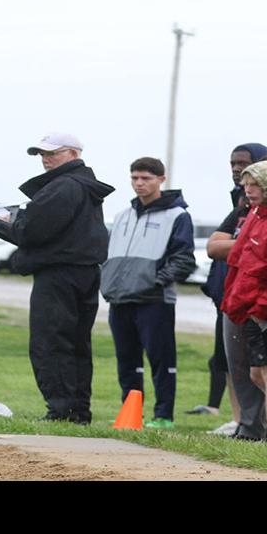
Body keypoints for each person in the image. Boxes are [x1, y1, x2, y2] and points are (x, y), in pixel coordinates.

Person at [0, 133, 114, 424]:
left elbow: (31, 231)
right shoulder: (83, 185)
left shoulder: (63, 187)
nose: (45, 159)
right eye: (41, 154)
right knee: (77, 343)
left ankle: (61, 410)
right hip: (84, 272)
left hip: (59, 274)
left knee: (51, 343)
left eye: (52, 153)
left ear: (73, 154)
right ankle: (78, 410)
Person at [100, 157, 197, 429]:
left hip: (155, 300)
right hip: (120, 299)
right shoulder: (122, 216)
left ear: (161, 180)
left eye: (146, 178)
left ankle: (163, 416)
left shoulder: (177, 215)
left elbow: (184, 260)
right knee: (127, 361)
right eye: (134, 178)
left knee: (161, 360)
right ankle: (131, 414)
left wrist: (155, 282)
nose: (139, 184)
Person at [206, 143, 267, 439]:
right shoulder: (247, 211)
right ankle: (248, 426)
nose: (246, 185)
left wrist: (249, 246)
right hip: (238, 299)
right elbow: (215, 247)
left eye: (253, 180)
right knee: (248, 370)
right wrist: (249, 245)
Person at [221, 159, 267, 443]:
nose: (248, 189)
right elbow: (238, 260)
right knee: (257, 373)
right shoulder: (256, 215)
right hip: (251, 309)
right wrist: (236, 299)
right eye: (245, 184)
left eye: (255, 183)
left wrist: (264, 307)